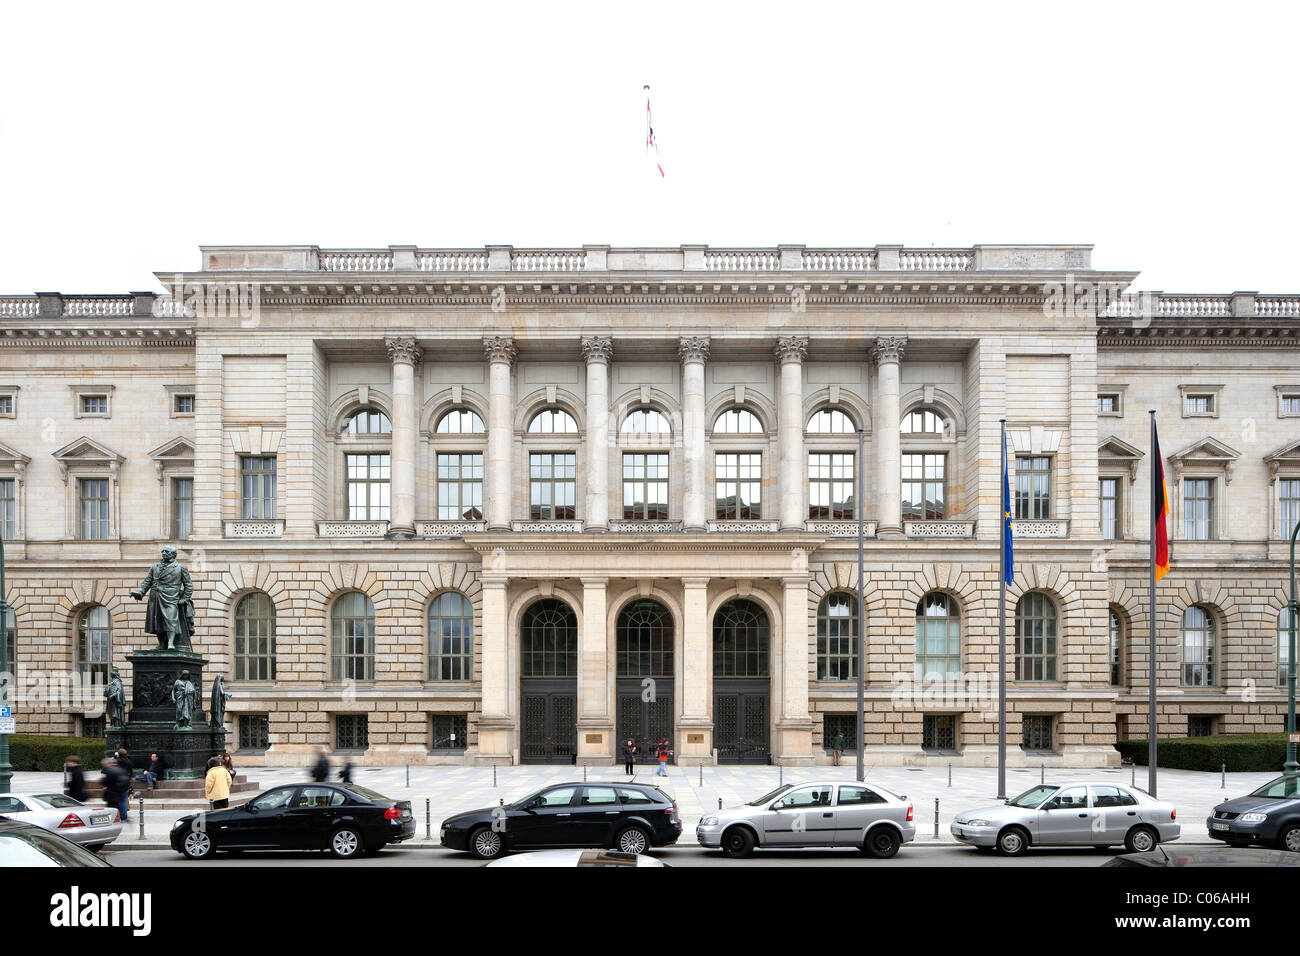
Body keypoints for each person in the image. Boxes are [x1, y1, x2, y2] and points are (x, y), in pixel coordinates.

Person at [114, 748, 134, 821]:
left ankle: (119, 816)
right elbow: (131, 772)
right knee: (123, 799)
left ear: (119, 754)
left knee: (118, 800)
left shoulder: (116, 761)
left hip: (117, 782)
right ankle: (124, 816)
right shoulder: (128, 761)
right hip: (126, 782)